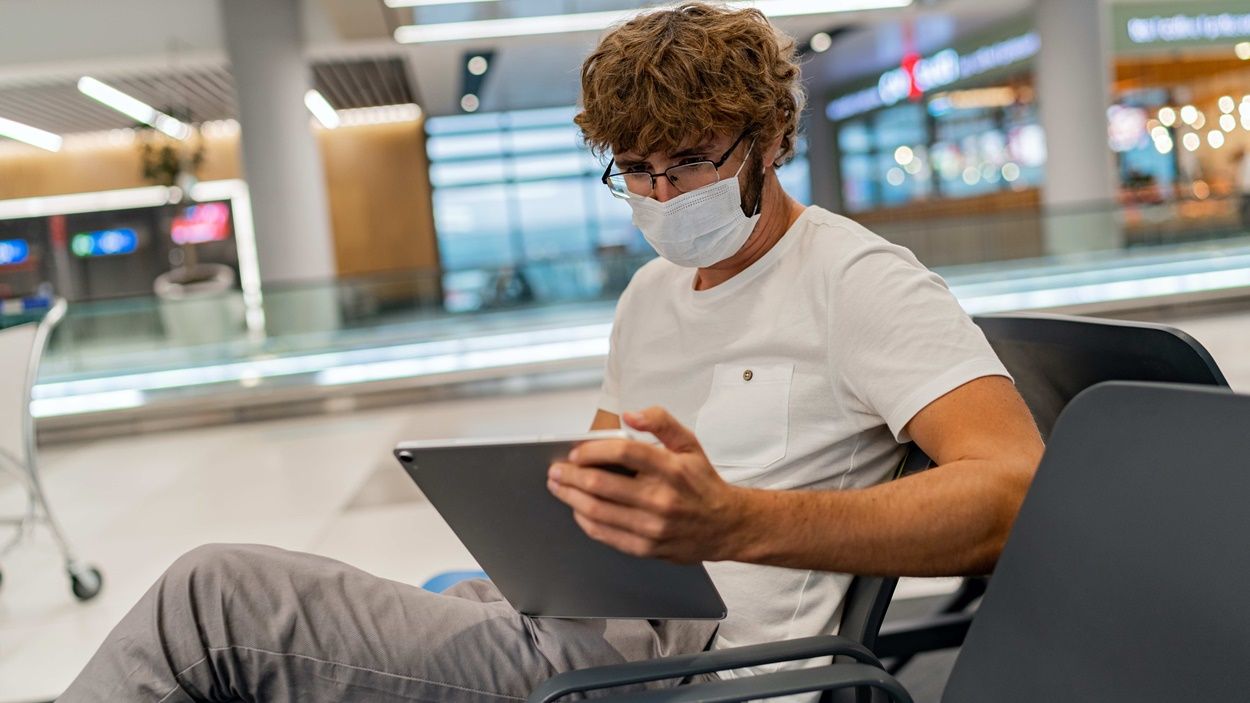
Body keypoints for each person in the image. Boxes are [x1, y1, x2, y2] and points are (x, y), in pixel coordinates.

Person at [60, 4, 1042, 701]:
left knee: (212, 600)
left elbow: (1013, 492)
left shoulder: (856, 280)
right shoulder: (649, 294)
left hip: (685, 672)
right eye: (637, 173)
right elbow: (600, 503)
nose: (662, 198)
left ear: (769, 137)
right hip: (599, 628)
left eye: (691, 162)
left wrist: (734, 520)